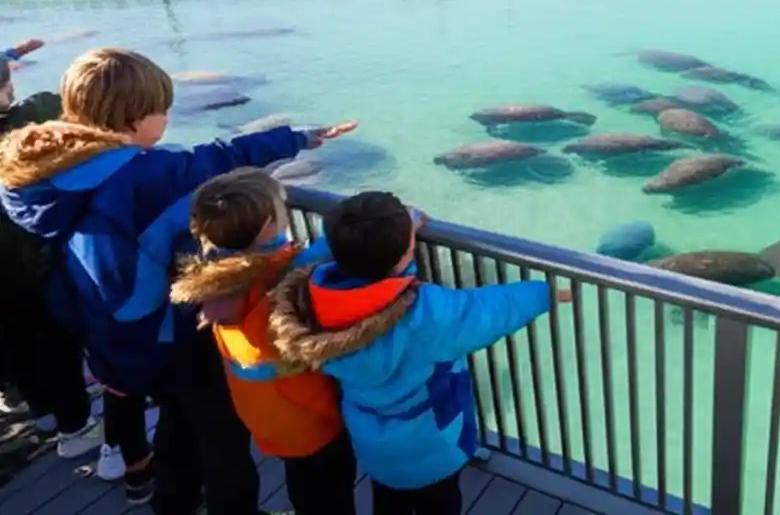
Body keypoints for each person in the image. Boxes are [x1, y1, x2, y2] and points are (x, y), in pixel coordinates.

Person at [0, 47, 355, 515]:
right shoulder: (144, 176)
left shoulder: (52, 175)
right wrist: (296, 140)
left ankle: (172, 503)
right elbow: (215, 160)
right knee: (220, 438)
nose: (166, 119)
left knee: (177, 426)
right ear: (130, 120)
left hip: (110, 338)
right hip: (169, 338)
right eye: (160, 111)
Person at [270, 191, 553, 515]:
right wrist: (543, 292)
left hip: (372, 445)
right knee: (441, 503)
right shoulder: (422, 314)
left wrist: (397, 229)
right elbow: (487, 311)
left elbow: (321, 256)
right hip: (433, 446)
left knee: (388, 502)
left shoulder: (309, 303)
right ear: (406, 252)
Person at [171, 168, 356, 515]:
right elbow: (318, 255)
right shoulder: (281, 274)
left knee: (302, 483)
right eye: (282, 207)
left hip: (269, 418)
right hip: (313, 419)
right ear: (268, 227)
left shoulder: (218, 278)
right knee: (332, 492)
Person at [0, 41, 102, 459]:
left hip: (6, 282)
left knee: (16, 340)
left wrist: (10, 53)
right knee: (55, 345)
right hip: (35, 265)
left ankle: (41, 412)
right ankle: (75, 429)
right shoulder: (33, 116)